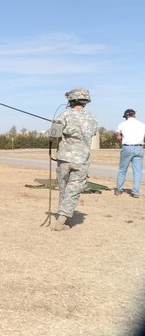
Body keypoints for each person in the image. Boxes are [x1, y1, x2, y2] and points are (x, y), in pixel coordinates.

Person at [52, 87, 99, 231]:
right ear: (85, 101)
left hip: (64, 159)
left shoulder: (64, 115)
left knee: (64, 188)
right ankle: (64, 219)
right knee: (73, 190)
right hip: (81, 160)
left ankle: (62, 219)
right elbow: (93, 133)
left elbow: (53, 135)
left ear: (70, 100)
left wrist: (52, 129)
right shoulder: (92, 117)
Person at [115, 108, 145, 198]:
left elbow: (118, 138)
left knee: (122, 170)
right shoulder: (142, 124)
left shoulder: (122, 124)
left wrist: (121, 135)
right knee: (137, 171)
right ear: (134, 115)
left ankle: (119, 189)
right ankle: (136, 192)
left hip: (127, 147)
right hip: (139, 147)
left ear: (126, 116)